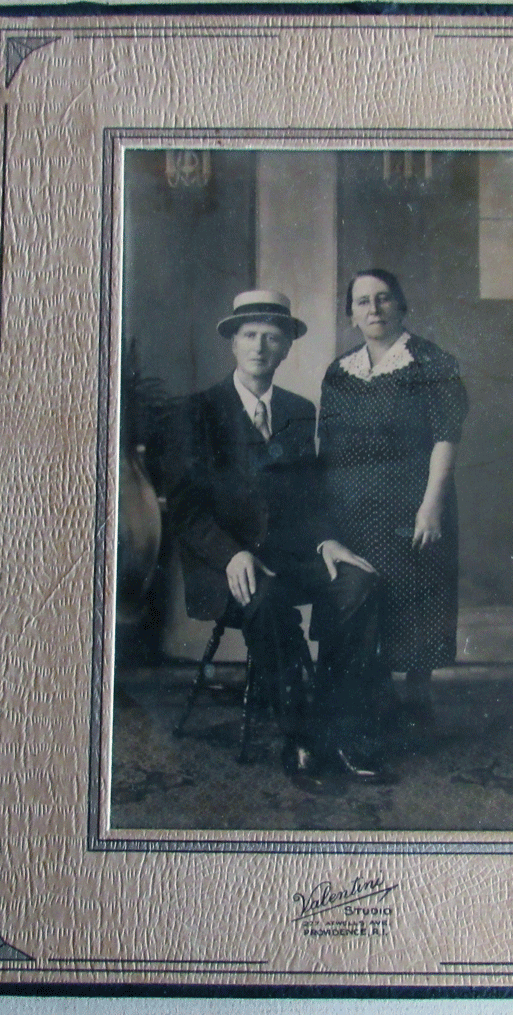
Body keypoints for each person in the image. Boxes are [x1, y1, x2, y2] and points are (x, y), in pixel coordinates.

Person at [169, 289, 387, 779]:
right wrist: (231, 554)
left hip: (289, 556)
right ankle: (301, 736)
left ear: (288, 347)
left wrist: (327, 542)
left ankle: (337, 725)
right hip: (225, 565)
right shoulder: (197, 410)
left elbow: (308, 497)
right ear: (233, 343)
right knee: (265, 601)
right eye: (250, 335)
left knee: (358, 581)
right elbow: (185, 510)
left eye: (273, 336)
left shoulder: (297, 407)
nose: (260, 346)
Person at [318, 270, 469, 729]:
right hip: (352, 509)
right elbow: (327, 447)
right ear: (351, 315)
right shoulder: (340, 372)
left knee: (416, 592)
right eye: (362, 302)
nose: (374, 309)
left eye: (383, 299)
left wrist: (432, 504)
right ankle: (375, 692)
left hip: (412, 501)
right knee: (366, 595)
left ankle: (418, 692)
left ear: (401, 305)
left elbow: (446, 436)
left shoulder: (430, 362)